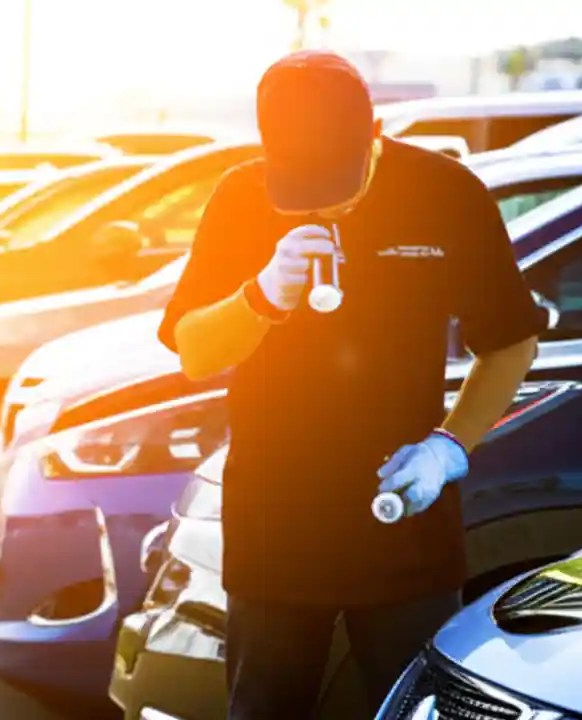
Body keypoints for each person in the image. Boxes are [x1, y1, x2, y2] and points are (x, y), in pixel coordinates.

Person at [157, 51, 544, 719]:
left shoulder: (444, 193)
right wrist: (262, 296)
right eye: (301, 182)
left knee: (414, 709)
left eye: (336, 181)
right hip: (274, 530)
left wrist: (449, 448)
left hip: (403, 523)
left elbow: (511, 342)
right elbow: (194, 351)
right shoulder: (243, 197)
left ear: (373, 134)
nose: (323, 200)